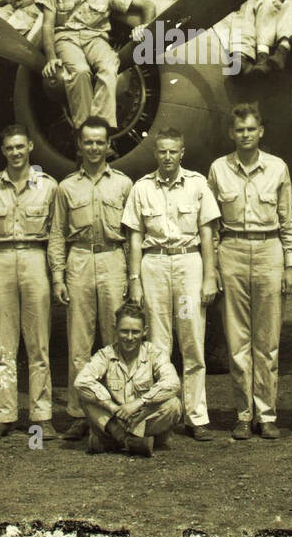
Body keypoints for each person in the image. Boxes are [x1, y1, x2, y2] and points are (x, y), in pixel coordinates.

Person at [207, 104, 292, 439]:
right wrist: (212, 266)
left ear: (261, 131)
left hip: (268, 249)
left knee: (268, 339)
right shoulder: (218, 169)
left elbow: (288, 222)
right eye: (239, 130)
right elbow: (212, 225)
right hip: (231, 250)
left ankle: (267, 413)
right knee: (237, 340)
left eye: (251, 129)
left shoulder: (277, 168)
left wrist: (290, 265)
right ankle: (243, 414)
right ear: (231, 134)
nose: (245, 135)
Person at [122, 128, 221, 441]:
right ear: (156, 153)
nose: (167, 157)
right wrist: (134, 279)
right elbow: (134, 237)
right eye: (162, 151)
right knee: (159, 345)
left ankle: (196, 415)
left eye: (172, 151)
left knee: (192, 339)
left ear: (182, 153)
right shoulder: (142, 187)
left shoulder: (197, 184)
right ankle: (162, 414)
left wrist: (208, 275)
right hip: (154, 265)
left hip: (187, 264)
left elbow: (208, 234)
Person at [0, 126, 61, 441]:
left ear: (31, 147)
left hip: (35, 258)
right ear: (3, 151)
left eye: (20, 147)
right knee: (4, 346)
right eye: (9, 148)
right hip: (2, 259)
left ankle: (41, 417)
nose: (15, 153)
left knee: (38, 345)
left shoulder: (48, 186)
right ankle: (3, 416)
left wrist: (56, 274)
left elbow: (56, 236)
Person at [48, 117, 133, 441]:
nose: (94, 148)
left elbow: (131, 234)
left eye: (100, 142)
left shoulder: (124, 184)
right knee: (79, 346)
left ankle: (118, 413)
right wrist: (58, 277)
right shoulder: (66, 187)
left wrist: (130, 275)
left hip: (113, 257)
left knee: (118, 342)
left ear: (109, 146)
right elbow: (57, 234)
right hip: (80, 259)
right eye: (88, 142)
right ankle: (80, 413)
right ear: (79, 145)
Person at [38, 0, 154, 128]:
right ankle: (84, 131)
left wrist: (145, 27)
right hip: (66, 38)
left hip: (96, 38)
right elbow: (48, 25)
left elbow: (147, 5)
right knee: (80, 71)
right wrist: (51, 57)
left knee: (110, 67)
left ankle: (101, 131)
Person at [74, 302, 183, 456]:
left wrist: (139, 402)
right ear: (115, 330)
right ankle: (132, 441)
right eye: (124, 331)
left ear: (144, 332)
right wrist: (113, 408)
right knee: (85, 396)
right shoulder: (105, 355)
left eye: (135, 332)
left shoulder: (154, 354)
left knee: (174, 405)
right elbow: (81, 381)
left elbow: (172, 382)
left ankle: (113, 442)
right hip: (114, 419)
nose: (130, 338)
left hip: (143, 417)